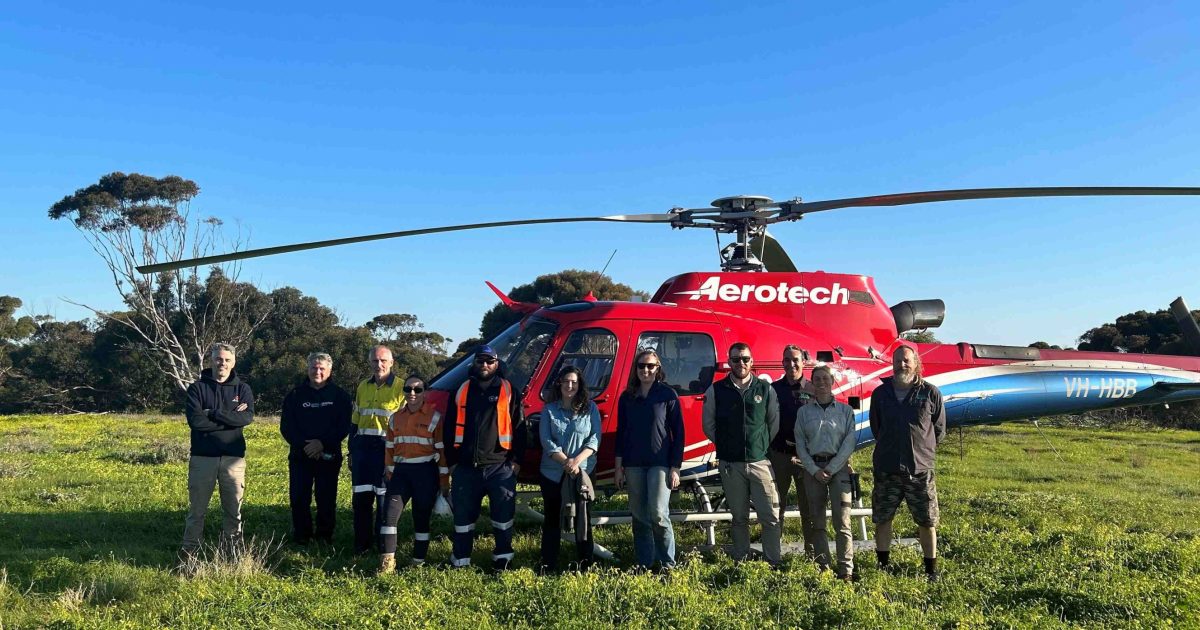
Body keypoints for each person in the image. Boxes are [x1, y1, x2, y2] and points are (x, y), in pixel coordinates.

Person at [870, 345, 946, 581]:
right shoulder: (880, 394)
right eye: (897, 361)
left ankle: (931, 570)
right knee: (883, 519)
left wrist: (921, 449)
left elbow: (939, 429)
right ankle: (883, 566)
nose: (901, 365)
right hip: (887, 468)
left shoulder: (930, 392)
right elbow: (876, 427)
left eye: (906, 361)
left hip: (919, 470)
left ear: (915, 363)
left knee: (927, 521)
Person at [446, 344, 526, 570]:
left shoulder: (509, 390)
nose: (485, 365)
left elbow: (520, 428)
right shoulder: (461, 390)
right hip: (465, 467)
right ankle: (460, 559)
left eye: (490, 361)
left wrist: (516, 461)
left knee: (503, 515)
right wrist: (452, 462)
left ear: (497, 364)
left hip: (499, 466)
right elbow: (448, 427)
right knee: (463, 517)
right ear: (474, 363)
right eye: (480, 360)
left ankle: (503, 558)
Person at [702, 342, 782, 565]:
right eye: (736, 359)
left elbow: (773, 423)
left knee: (769, 516)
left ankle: (773, 562)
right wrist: (728, 444)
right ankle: (741, 560)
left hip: (760, 462)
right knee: (739, 517)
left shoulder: (765, 389)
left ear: (752, 361)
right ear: (729, 362)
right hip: (731, 464)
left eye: (745, 359)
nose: (741, 363)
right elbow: (708, 425)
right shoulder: (716, 390)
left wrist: (760, 445)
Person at [181, 343, 255, 559]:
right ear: (211, 360)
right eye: (218, 359)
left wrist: (212, 413)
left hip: (233, 459)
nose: (222, 363)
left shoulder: (243, 389)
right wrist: (230, 419)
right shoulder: (197, 388)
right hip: (203, 458)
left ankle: (232, 553)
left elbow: (246, 418)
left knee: (233, 511)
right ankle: (190, 552)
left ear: (234, 362)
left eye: (227, 360)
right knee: (197, 511)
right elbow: (196, 422)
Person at [615, 349, 684, 570]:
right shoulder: (627, 397)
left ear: (658, 369)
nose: (645, 370)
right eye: (641, 366)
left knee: (658, 513)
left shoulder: (667, 395)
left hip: (660, 463)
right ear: (635, 369)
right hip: (633, 463)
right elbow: (621, 433)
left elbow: (678, 433)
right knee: (639, 517)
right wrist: (618, 467)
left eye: (650, 366)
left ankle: (667, 564)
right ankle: (644, 563)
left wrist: (675, 467)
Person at [279, 352, 353, 545]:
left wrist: (322, 444)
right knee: (299, 498)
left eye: (321, 368)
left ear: (330, 370)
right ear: (308, 369)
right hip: (300, 455)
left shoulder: (340, 396)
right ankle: (302, 536)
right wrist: (306, 446)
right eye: (314, 367)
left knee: (326, 497)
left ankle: (324, 536)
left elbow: (344, 426)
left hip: (328, 455)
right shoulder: (295, 395)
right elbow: (287, 427)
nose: (317, 372)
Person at [379, 375, 449, 572]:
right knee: (389, 517)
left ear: (424, 393)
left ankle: (418, 562)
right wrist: (390, 473)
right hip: (401, 473)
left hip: (425, 472)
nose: (412, 393)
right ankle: (387, 564)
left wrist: (444, 481)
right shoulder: (395, 418)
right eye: (408, 389)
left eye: (417, 390)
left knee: (421, 518)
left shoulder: (434, 417)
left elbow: (441, 452)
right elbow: (389, 449)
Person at [794, 365, 857, 580]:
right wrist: (814, 470)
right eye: (817, 379)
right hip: (813, 470)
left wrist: (831, 468)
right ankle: (823, 567)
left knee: (843, 522)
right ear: (812, 383)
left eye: (825, 378)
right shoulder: (803, 413)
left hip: (838, 469)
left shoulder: (845, 411)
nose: (821, 382)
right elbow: (800, 444)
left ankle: (846, 570)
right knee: (817, 522)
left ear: (832, 381)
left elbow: (849, 442)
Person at [538, 365, 601, 572]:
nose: (570, 385)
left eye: (574, 382)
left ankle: (586, 564)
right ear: (559, 383)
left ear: (580, 385)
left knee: (584, 519)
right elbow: (547, 441)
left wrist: (576, 462)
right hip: (553, 473)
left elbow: (595, 438)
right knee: (552, 518)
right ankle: (548, 565)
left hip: (582, 473)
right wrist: (566, 462)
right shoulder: (549, 410)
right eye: (566, 381)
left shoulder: (590, 408)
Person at [350, 345, 406, 554]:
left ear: (391, 362)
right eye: (375, 360)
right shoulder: (363, 386)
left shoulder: (401, 387)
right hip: (363, 449)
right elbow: (355, 421)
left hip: (386, 449)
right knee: (361, 499)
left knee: (384, 500)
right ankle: (362, 545)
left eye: (383, 360)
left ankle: (383, 546)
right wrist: (351, 451)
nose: (379, 364)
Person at [768, 344, 815, 555]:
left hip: (807, 457)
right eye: (787, 360)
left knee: (808, 507)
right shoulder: (774, 389)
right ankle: (774, 553)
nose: (791, 364)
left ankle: (812, 554)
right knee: (776, 505)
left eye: (795, 359)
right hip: (779, 454)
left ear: (803, 362)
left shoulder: (813, 389)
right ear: (782, 363)